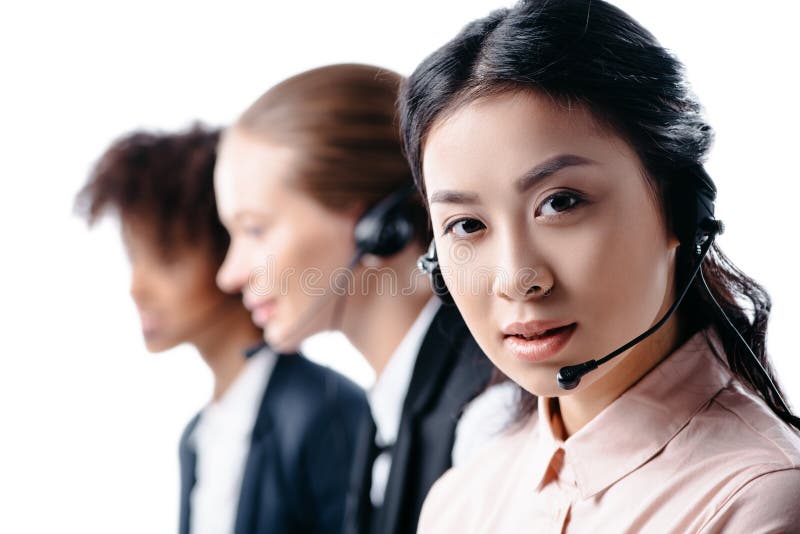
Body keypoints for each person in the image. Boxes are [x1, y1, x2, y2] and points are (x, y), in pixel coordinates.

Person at [398, 1, 800, 532]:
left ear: (681, 210)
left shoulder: (755, 501)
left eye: (560, 202)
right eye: (467, 225)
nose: (517, 278)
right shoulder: (458, 502)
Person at [214, 63, 512, 534]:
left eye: (255, 229)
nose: (230, 275)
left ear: (376, 225)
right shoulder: (387, 413)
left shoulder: (487, 419)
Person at [76, 125, 366, 534]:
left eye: (165, 258)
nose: (136, 287)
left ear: (230, 247)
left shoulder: (323, 412)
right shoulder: (197, 438)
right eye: (133, 257)